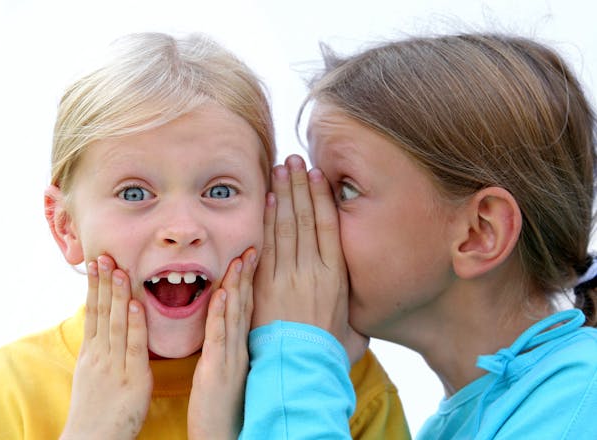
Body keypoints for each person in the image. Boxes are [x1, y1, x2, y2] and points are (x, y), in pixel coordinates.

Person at [0, 32, 410, 439]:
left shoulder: (332, 387)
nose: (182, 230)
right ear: (65, 226)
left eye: (220, 190)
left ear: (271, 213)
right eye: (134, 193)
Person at [233, 33, 597, 439]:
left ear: (479, 233)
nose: (307, 214)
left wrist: (296, 355)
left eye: (345, 189)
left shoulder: (583, 399)